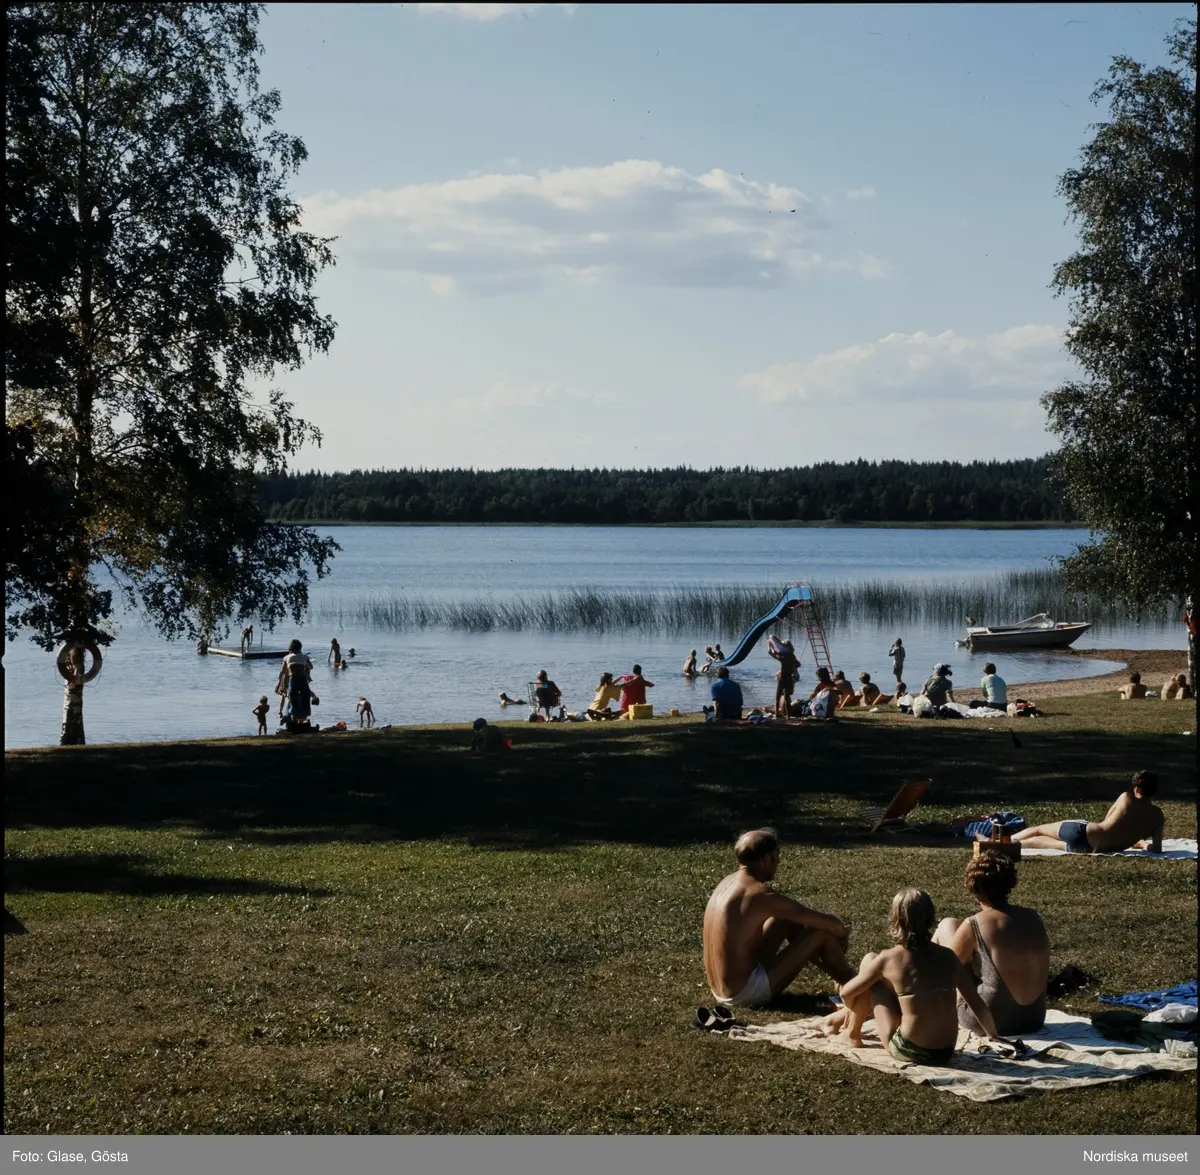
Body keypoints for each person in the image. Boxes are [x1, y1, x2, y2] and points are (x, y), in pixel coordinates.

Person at [826, 888, 1005, 1060]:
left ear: (896, 919)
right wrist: (994, 1036)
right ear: (930, 918)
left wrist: (852, 1006)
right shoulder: (948, 957)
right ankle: (850, 1031)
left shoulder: (888, 959)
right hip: (946, 1051)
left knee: (869, 962)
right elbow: (977, 1004)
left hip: (911, 1050)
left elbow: (845, 993)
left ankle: (851, 1034)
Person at [702, 828, 854, 1009]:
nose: (779, 861)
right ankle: (853, 984)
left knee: (787, 920)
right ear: (766, 858)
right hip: (743, 994)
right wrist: (841, 933)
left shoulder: (728, 882)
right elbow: (828, 923)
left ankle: (842, 979)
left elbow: (794, 915)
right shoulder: (757, 894)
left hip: (722, 988)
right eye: (776, 856)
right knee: (820, 933)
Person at [933, 851, 1049, 1035]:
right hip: (1034, 1018)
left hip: (991, 1020)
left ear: (973, 886)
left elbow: (946, 971)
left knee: (947, 925)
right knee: (957, 930)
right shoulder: (1033, 917)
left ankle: (919, 997)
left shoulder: (975, 924)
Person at [1012, 770, 1164, 854]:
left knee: (1039, 830)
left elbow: (1107, 820)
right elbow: (1157, 848)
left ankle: (1001, 842)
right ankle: (1008, 845)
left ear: (1136, 788)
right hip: (1090, 850)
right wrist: (1143, 843)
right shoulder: (1157, 816)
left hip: (1086, 833)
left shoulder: (1126, 798)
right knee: (1036, 842)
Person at [281, 639, 317, 729]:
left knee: (293, 698)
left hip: (293, 679)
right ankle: (304, 715)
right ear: (300, 647)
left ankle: (291, 717)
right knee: (306, 695)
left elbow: (283, 671)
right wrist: (306, 667)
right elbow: (311, 666)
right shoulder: (304, 656)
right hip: (302, 679)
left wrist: (282, 683)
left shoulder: (286, 657)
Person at [768, 637, 800, 719]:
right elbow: (798, 664)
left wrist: (770, 645)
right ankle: (788, 716)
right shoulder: (793, 656)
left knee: (777, 697)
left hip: (782, 679)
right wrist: (794, 668)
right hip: (789, 678)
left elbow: (772, 653)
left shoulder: (784, 656)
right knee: (786, 698)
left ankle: (776, 715)